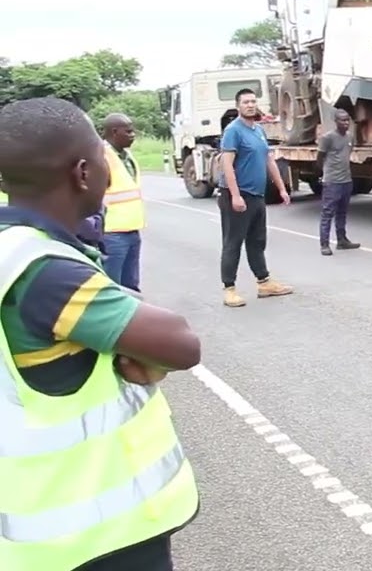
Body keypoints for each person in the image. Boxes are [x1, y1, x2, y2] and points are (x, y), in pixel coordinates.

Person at [0, 96, 201, 571]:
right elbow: (180, 344)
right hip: (95, 535)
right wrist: (125, 346)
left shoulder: (13, 249)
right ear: (84, 173)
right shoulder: (46, 272)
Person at [218, 88, 293, 307]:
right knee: (233, 243)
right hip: (238, 195)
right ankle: (229, 289)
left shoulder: (258, 129)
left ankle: (264, 282)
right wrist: (235, 195)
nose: (250, 105)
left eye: (253, 101)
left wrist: (281, 188)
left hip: (257, 196)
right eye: (246, 102)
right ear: (238, 106)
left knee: (257, 241)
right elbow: (227, 165)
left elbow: (269, 160)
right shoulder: (234, 131)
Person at [100, 113, 144, 291]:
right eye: (129, 132)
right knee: (112, 287)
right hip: (112, 233)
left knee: (131, 287)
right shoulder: (101, 157)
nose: (133, 135)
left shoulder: (126, 156)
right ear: (114, 132)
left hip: (132, 231)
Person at [315, 108, 361, 256]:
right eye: (342, 120)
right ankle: (324, 244)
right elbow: (320, 157)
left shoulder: (350, 137)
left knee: (342, 212)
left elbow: (348, 153)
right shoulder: (327, 138)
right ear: (336, 122)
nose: (346, 123)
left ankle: (342, 240)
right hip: (332, 182)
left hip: (346, 180)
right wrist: (324, 174)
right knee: (328, 213)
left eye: (347, 120)